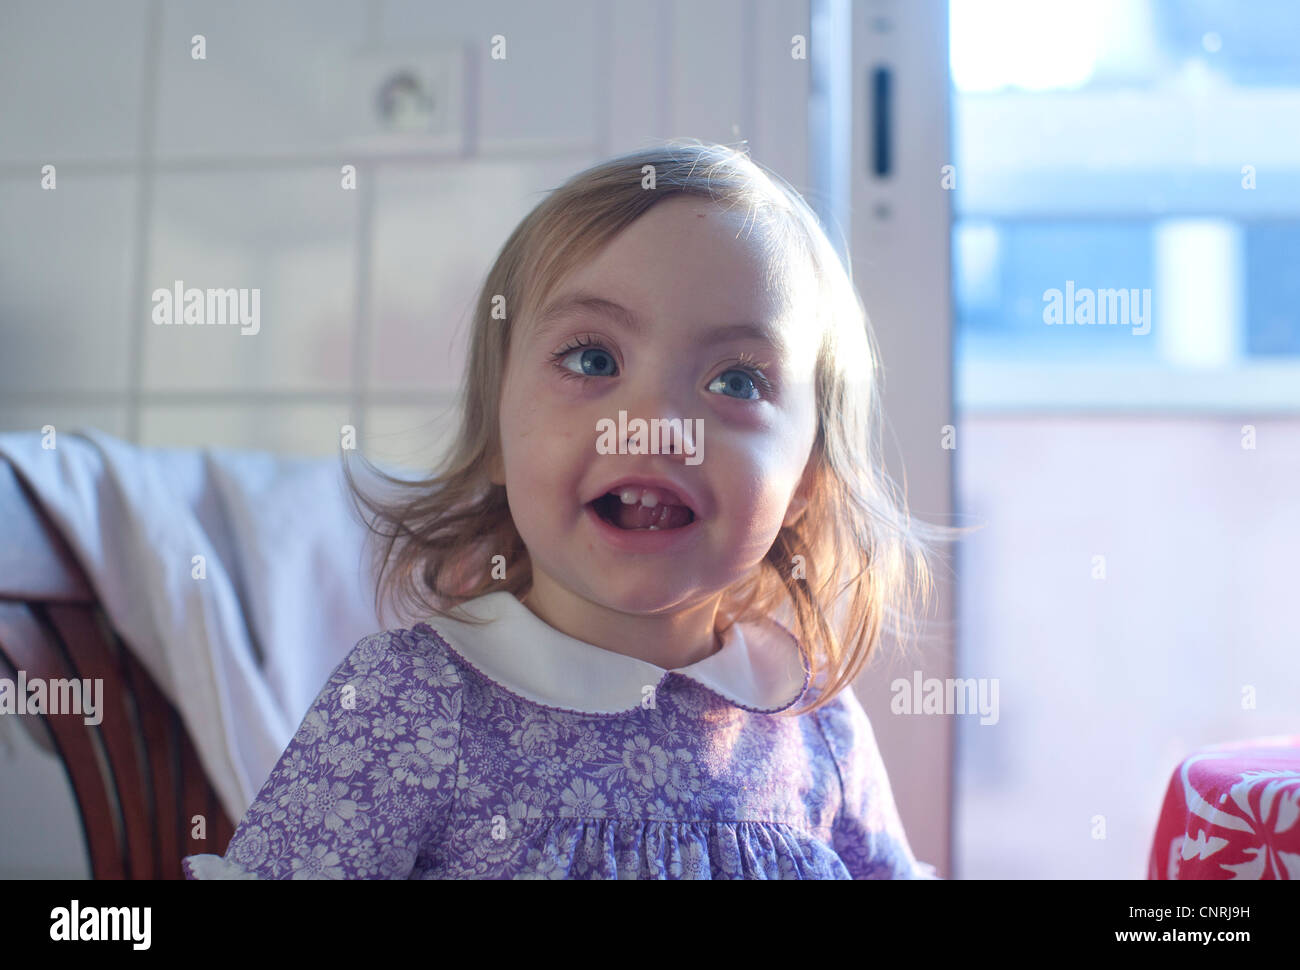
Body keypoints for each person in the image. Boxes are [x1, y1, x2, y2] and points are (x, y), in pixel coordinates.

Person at [183, 140, 951, 879]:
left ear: (808, 481)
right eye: (593, 359)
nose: (654, 422)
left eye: (738, 382)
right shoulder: (413, 702)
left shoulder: (815, 717)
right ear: (496, 435)